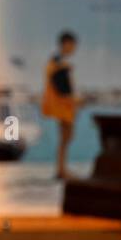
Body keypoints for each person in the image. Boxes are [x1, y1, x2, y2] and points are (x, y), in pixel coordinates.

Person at [40, 30, 78, 179]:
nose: (73, 48)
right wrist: (73, 100)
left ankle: (61, 169)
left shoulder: (58, 62)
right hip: (63, 105)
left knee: (66, 137)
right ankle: (61, 170)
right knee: (65, 137)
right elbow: (62, 88)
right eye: (72, 45)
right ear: (66, 44)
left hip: (63, 104)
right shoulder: (57, 63)